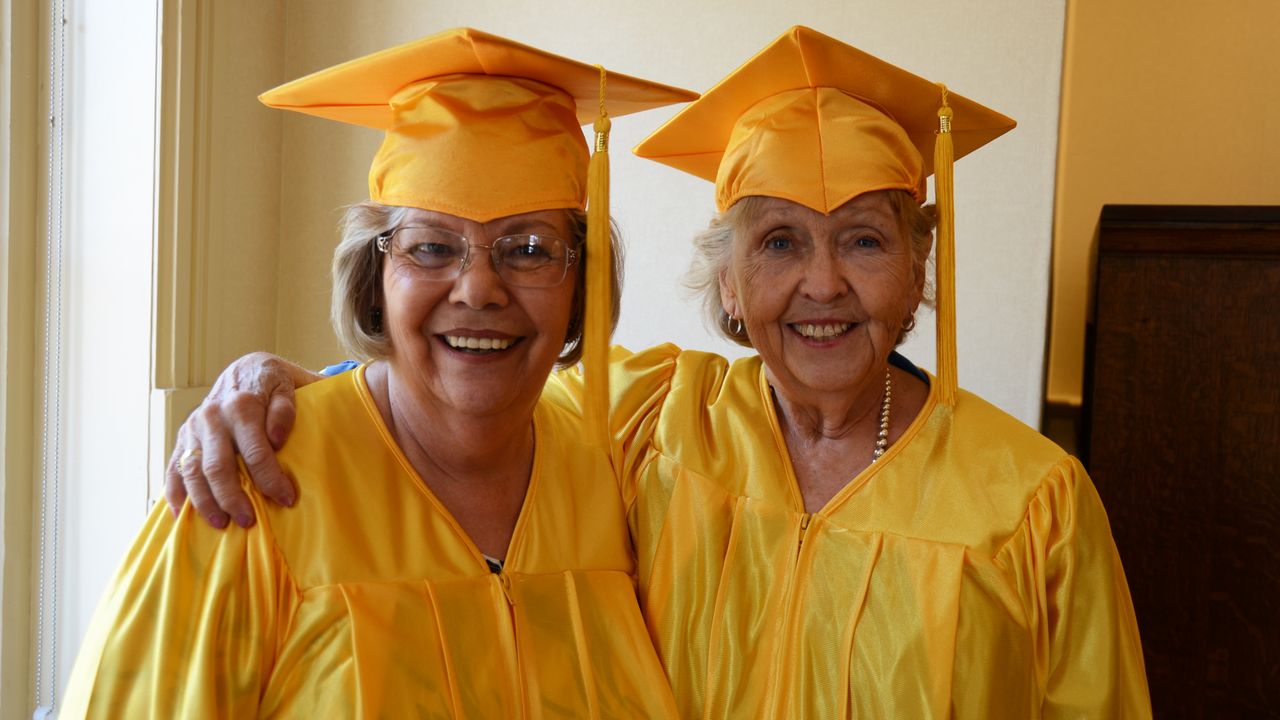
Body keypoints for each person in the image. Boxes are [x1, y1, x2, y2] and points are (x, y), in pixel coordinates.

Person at [169, 26, 1152, 718]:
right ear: (727, 283)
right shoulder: (650, 419)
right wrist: (277, 382)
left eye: (861, 239)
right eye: (775, 244)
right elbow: (459, 394)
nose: (821, 285)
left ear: (916, 272)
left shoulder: (1034, 508)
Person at [61, 28, 694, 717]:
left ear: (583, 284)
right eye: (431, 248)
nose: (478, 289)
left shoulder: (621, 464)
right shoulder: (247, 487)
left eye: (531, 249)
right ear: (375, 278)